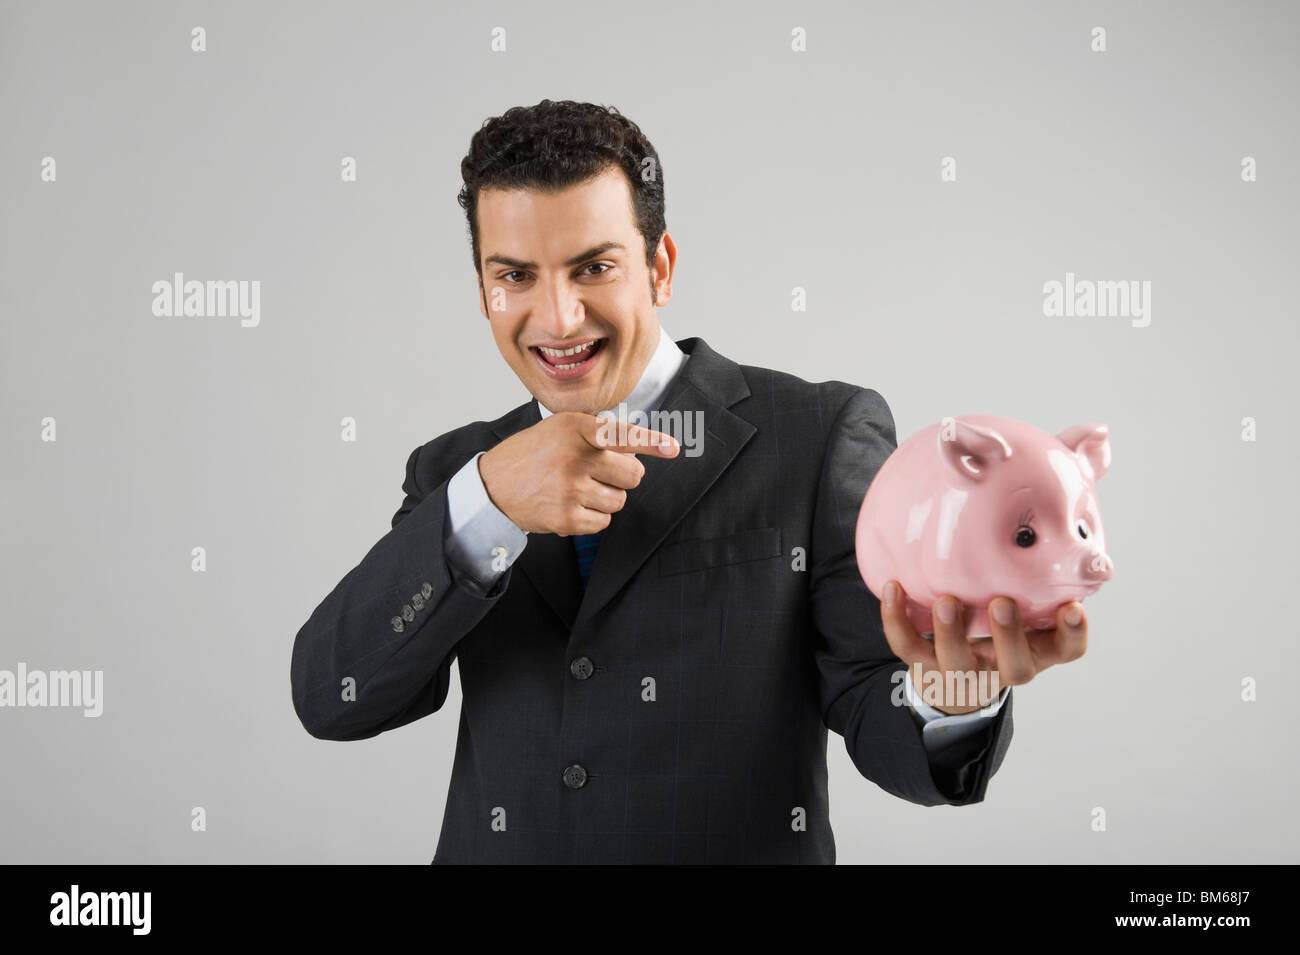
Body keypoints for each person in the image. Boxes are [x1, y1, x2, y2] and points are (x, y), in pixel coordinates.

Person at [290, 100, 1089, 864]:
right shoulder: (455, 471)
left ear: (659, 266)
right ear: (483, 291)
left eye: (594, 266)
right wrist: (489, 504)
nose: (559, 318)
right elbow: (336, 697)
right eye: (516, 276)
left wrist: (955, 694)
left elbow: (878, 712)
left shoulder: (815, 435)